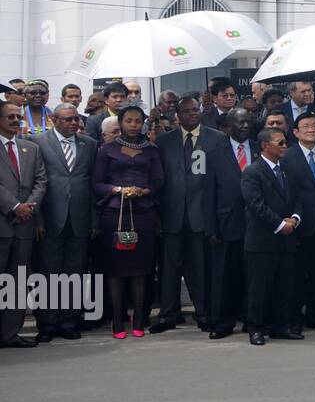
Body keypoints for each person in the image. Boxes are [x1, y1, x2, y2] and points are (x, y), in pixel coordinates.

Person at [90, 104, 164, 338]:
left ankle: (140, 320)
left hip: (144, 213)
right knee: (115, 269)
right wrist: (118, 189)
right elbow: (97, 183)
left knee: (142, 269)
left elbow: (159, 181)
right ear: (120, 123)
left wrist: (143, 191)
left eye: (137, 121)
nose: (133, 125)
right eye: (128, 120)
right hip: (114, 213)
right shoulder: (107, 149)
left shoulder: (151, 149)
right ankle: (118, 322)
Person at [152, 96, 223, 334]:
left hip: (201, 215)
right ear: (178, 115)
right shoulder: (163, 141)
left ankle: (204, 313)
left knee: (200, 268)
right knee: (169, 268)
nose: (193, 114)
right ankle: (168, 314)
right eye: (187, 111)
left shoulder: (216, 138)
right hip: (172, 214)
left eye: (196, 110)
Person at [34, 104, 96, 340]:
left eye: (76, 120)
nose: (74, 124)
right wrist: (37, 219)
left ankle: (69, 322)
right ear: (53, 119)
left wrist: (94, 220)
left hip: (79, 219)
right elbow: (35, 182)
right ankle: (47, 324)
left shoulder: (88, 144)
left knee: (74, 273)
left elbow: (91, 183)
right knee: (48, 273)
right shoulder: (38, 142)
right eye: (68, 120)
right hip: (50, 219)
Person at [241, 128, 303, 346]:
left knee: (284, 287)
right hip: (262, 241)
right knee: (260, 288)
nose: (285, 147)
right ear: (265, 145)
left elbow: (297, 199)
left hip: (286, 241)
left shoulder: (287, 169)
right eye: (281, 143)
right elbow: (256, 206)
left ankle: (280, 326)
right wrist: (279, 224)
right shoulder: (252, 172)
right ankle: (256, 328)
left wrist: (294, 219)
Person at [280, 112, 315, 333]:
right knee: (296, 273)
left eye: (314, 125)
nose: (311, 129)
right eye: (306, 126)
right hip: (299, 224)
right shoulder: (287, 157)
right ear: (295, 132)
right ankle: (295, 316)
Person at [0, 102, 47, 348]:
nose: (15, 120)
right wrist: (15, 206)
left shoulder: (30, 148)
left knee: (17, 282)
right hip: (3, 222)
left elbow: (41, 181)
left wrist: (28, 207)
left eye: (18, 116)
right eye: (9, 116)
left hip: (24, 225)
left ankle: (9, 334)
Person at [208, 108, 256, 340]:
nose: (245, 126)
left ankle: (251, 318)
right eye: (240, 122)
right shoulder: (215, 153)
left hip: (257, 225)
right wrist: (212, 228)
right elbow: (208, 194)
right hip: (225, 224)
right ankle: (223, 321)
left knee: (253, 275)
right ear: (228, 126)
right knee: (224, 275)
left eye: (248, 122)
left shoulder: (260, 149)